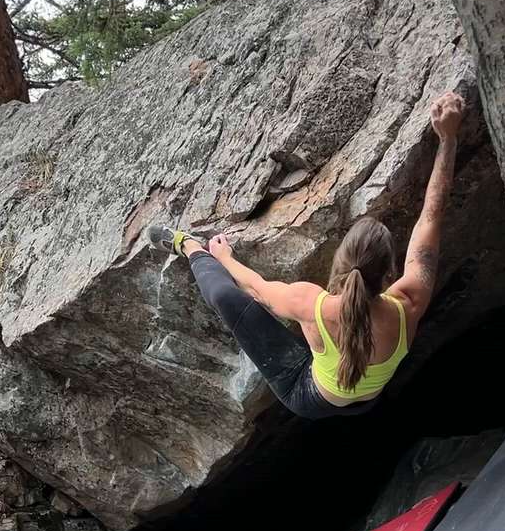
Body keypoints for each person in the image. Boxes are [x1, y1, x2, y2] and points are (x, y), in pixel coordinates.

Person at [149, 90, 465, 420]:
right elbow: (432, 216)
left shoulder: (312, 305)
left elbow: (256, 289)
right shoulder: (409, 305)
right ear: (390, 274)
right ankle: (189, 246)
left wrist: (225, 258)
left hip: (307, 394)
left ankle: (189, 246)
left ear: (338, 264)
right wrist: (448, 139)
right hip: (368, 398)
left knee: (225, 297)